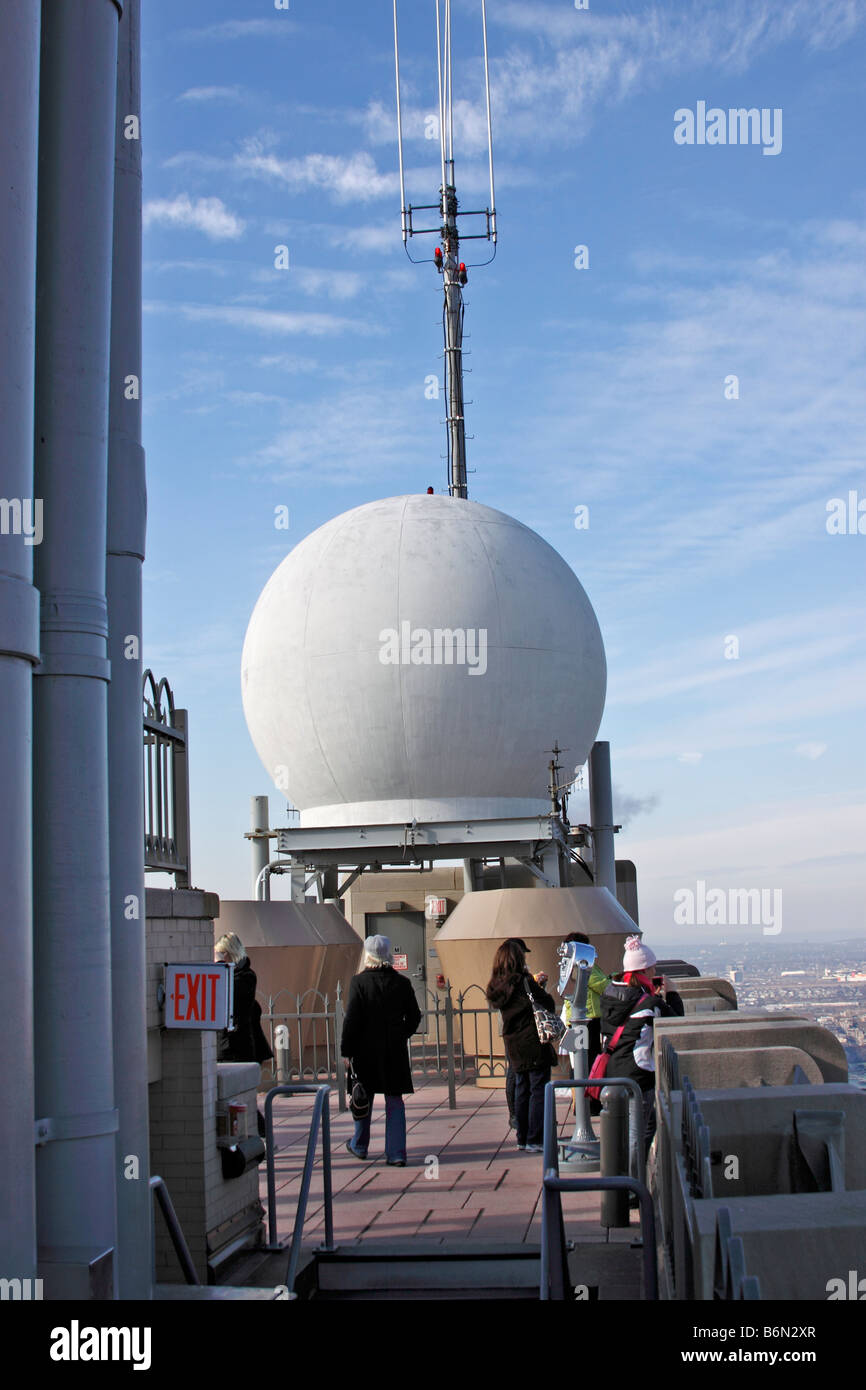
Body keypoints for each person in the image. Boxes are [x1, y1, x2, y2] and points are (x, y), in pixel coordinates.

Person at [599, 934, 683, 1158]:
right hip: (638, 1074)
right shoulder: (650, 1003)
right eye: (653, 969)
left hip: (613, 1071)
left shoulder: (610, 996)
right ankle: (633, 1185)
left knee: (627, 1130)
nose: (655, 974)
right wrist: (672, 994)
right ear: (644, 971)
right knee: (638, 1134)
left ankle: (626, 1180)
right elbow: (677, 1025)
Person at [340, 935, 422, 1166]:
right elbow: (414, 1016)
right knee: (394, 1100)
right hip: (393, 1051)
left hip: (365, 1051)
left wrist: (347, 1051)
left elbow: (352, 1020)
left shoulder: (359, 983)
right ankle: (396, 1153)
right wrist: (401, 1034)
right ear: (388, 955)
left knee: (362, 1097)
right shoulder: (402, 983)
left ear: (368, 956)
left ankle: (360, 1144)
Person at [486, 938, 557, 1152]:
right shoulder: (525, 982)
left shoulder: (497, 984)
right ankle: (536, 1137)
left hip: (513, 1040)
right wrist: (540, 987)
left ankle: (522, 1136)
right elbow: (547, 1004)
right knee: (538, 1088)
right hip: (532, 1039)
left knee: (522, 1088)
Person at [215, 931, 273, 1138]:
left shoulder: (244, 977)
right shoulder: (233, 975)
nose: (218, 959)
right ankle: (259, 1133)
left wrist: (220, 971)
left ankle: (262, 1134)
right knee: (236, 1098)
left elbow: (233, 1001)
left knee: (241, 1097)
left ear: (229, 954)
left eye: (220, 954)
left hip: (236, 1047)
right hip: (229, 1046)